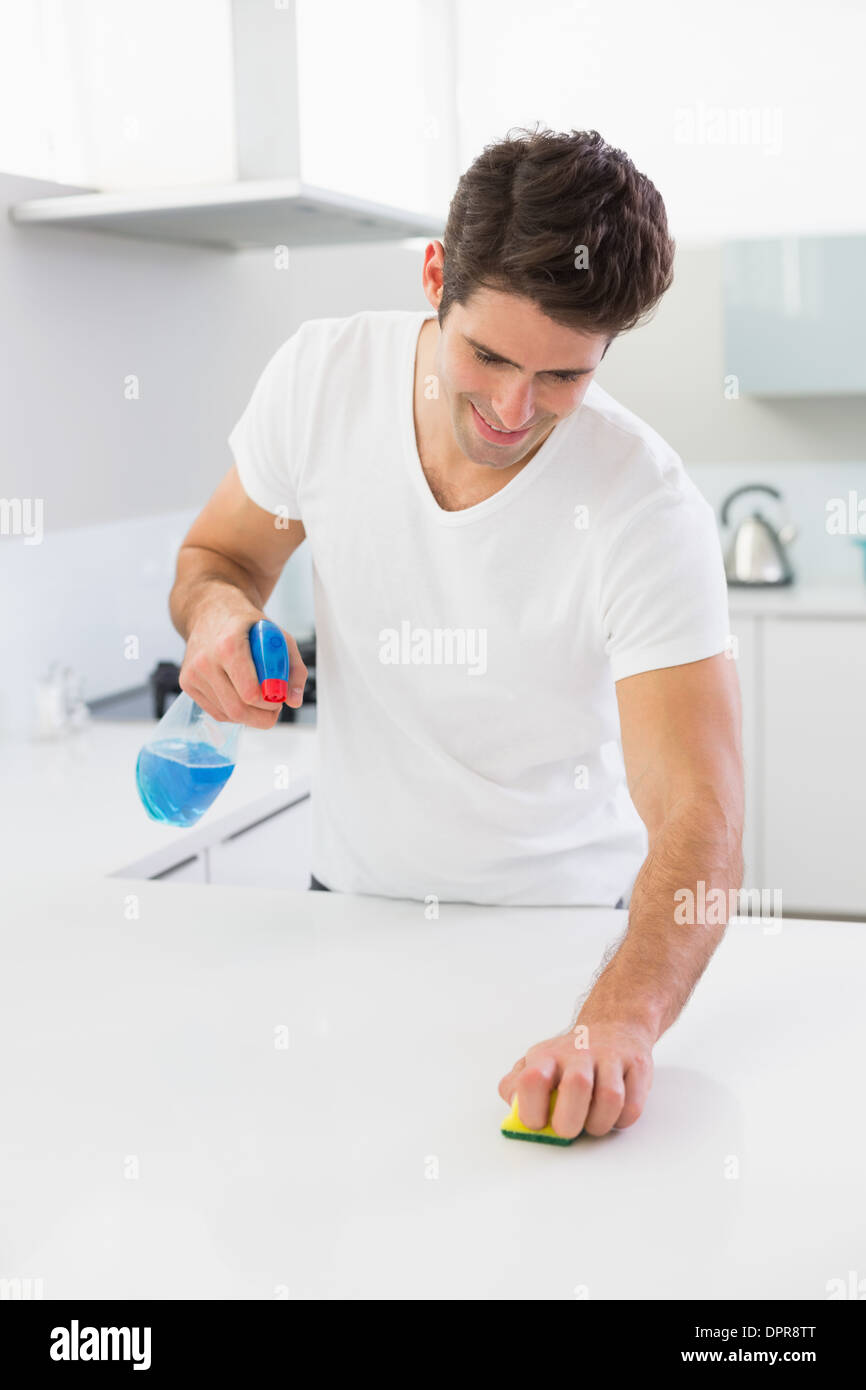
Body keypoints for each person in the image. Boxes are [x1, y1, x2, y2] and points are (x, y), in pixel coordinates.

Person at [169, 127, 743, 1142]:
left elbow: (701, 820)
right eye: (485, 354)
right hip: (342, 907)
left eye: (562, 378)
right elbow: (218, 562)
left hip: (565, 944)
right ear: (436, 277)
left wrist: (620, 1022)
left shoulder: (641, 506)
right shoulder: (320, 380)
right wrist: (220, 618)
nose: (512, 409)